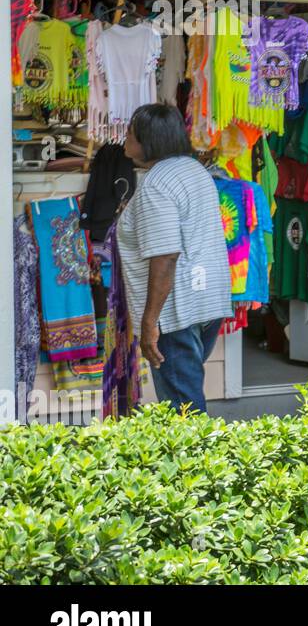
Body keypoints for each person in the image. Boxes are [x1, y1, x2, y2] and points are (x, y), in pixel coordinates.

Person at [117, 103, 233, 413]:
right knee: (186, 394)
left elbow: (165, 256)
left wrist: (150, 322)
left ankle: (200, 462)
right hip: (206, 302)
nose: (124, 139)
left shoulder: (157, 184)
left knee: (184, 410)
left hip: (174, 312)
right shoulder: (193, 170)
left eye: (130, 133)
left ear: (148, 140)